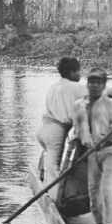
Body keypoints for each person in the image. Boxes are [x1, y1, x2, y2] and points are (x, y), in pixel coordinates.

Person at [72, 68, 112, 224]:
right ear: (87, 84)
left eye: (98, 83)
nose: (94, 86)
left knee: (107, 190)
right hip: (91, 152)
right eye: (91, 82)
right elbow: (77, 131)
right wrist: (82, 143)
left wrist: (102, 141)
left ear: (103, 85)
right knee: (93, 193)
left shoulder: (111, 104)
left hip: (109, 151)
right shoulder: (79, 105)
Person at [36, 57, 85, 199]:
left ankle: (41, 179)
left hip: (43, 129)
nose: (80, 75)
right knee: (53, 170)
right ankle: (54, 200)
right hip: (55, 131)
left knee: (48, 161)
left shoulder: (54, 86)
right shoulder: (74, 87)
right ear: (71, 73)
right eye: (78, 72)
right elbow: (100, 92)